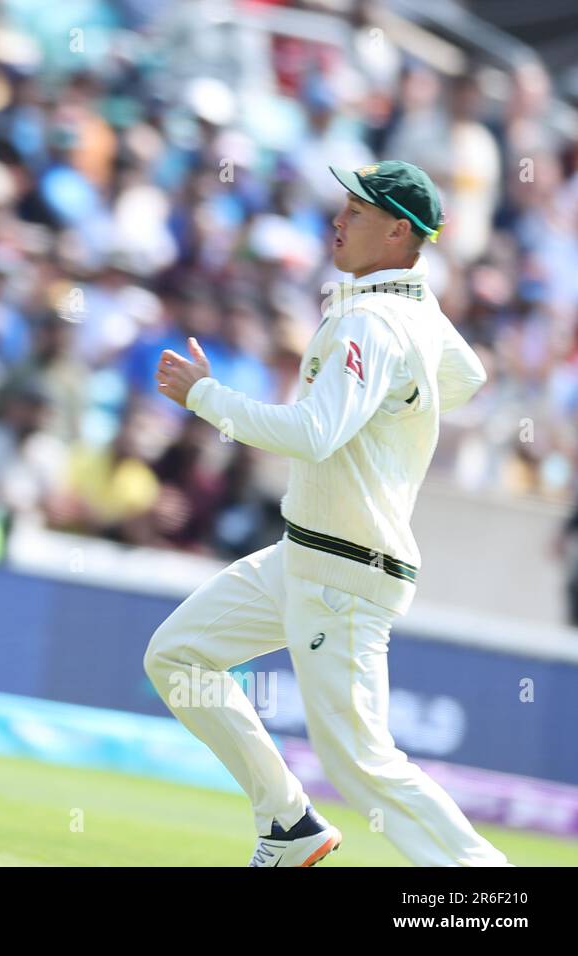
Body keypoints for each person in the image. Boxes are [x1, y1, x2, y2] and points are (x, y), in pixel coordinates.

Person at [146, 161, 510, 867]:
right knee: (177, 655)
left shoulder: (372, 321)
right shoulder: (412, 313)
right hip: (306, 554)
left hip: (344, 567)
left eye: (356, 212)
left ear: (399, 231)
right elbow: (467, 378)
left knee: (363, 766)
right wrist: (403, 407)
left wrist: (204, 398)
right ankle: (287, 824)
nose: (337, 222)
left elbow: (314, 432)